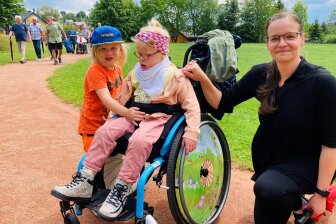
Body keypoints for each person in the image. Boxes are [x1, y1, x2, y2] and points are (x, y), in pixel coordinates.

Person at [182, 11, 336, 224]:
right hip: (271, 162)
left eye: (289, 36)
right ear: (268, 43)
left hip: (309, 163)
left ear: (302, 38)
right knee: (268, 202)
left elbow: (331, 145)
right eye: (275, 38)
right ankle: (299, 203)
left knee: (267, 188)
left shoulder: (323, 83)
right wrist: (202, 77)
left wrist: (320, 194)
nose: (282, 43)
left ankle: (312, 202)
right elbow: (222, 102)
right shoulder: (260, 74)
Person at [52, 19, 200, 219]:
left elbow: (192, 105)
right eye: (138, 53)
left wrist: (192, 132)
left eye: (146, 55)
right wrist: (116, 116)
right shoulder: (136, 72)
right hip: (132, 114)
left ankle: (122, 189)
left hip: (157, 119)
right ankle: (85, 181)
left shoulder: (174, 76)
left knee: (139, 140)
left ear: (162, 53)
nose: (141, 59)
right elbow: (124, 98)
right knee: (105, 131)